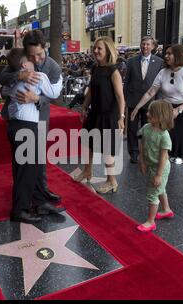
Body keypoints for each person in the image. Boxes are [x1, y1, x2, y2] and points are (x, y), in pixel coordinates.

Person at [0, 30, 64, 220]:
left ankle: (40, 200)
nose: (35, 59)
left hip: (39, 116)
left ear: (45, 48)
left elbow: (54, 95)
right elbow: (3, 80)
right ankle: (25, 203)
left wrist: (36, 98)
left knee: (36, 162)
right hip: (20, 120)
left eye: (39, 54)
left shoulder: (53, 67)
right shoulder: (20, 60)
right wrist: (20, 76)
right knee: (26, 163)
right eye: (31, 56)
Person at [131, 44, 183, 183]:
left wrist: (179, 109)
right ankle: (164, 169)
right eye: (166, 53)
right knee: (167, 140)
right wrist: (137, 107)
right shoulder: (163, 72)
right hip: (167, 110)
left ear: (178, 55)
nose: (166, 56)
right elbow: (151, 92)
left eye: (169, 53)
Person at [74, 36, 125, 194]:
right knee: (87, 143)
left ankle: (112, 181)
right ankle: (87, 171)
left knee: (106, 149)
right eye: (95, 48)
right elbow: (91, 91)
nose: (95, 51)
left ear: (107, 50)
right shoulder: (95, 68)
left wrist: (121, 117)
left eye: (99, 48)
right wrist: (83, 108)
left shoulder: (113, 71)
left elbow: (120, 96)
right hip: (94, 113)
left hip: (109, 115)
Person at [124, 36, 163, 164]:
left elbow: (160, 84)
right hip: (133, 101)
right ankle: (134, 153)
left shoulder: (159, 62)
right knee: (132, 129)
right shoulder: (131, 61)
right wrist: (125, 100)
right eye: (143, 44)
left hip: (150, 102)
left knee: (149, 129)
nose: (145, 47)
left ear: (152, 47)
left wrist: (158, 101)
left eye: (147, 44)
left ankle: (147, 153)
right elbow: (127, 82)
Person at [137, 100, 174, 232]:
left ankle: (150, 221)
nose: (147, 114)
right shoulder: (147, 127)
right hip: (151, 165)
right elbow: (141, 142)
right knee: (160, 189)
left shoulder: (164, 136)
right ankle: (166, 210)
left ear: (159, 117)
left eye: (150, 113)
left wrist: (158, 175)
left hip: (161, 169)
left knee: (153, 193)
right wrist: (142, 160)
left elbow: (164, 157)